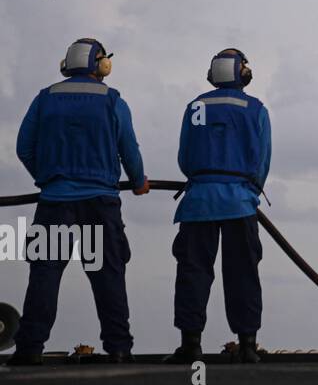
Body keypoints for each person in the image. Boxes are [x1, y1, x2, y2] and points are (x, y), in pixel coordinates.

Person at [9, 39, 149, 366]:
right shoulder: (112, 100)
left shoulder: (44, 98)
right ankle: (119, 348)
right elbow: (129, 149)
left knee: (44, 275)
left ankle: (29, 349)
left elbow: (24, 148)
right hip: (100, 203)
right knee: (108, 275)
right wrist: (138, 181)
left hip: (53, 203)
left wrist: (48, 177)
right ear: (101, 65)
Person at [166, 49, 271, 365]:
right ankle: (248, 346)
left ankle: (190, 345)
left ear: (213, 75)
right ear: (243, 74)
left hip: (198, 202)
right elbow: (262, 160)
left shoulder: (195, 107)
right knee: (243, 273)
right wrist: (248, 191)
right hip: (240, 203)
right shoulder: (255, 109)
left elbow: (185, 157)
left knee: (193, 273)